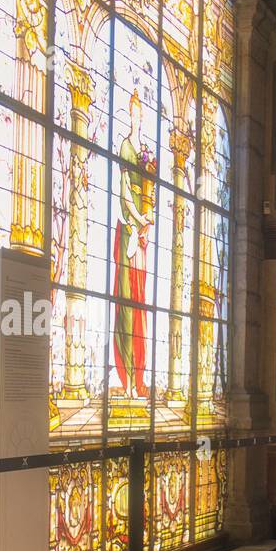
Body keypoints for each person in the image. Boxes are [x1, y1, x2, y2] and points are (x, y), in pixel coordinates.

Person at [112, 90, 154, 399]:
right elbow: (125, 190)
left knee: (139, 304)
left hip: (141, 235)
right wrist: (138, 220)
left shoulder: (145, 154)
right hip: (128, 229)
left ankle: (138, 377)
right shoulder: (126, 146)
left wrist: (147, 222)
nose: (136, 117)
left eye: (139, 113)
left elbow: (148, 193)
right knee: (126, 301)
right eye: (134, 112)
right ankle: (126, 377)